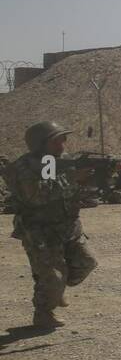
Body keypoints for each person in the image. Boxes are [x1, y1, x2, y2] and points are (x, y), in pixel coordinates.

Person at [7, 122, 99, 328]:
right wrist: (73, 178)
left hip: (68, 226)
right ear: (40, 144)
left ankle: (55, 291)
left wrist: (102, 176)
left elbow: (81, 193)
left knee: (87, 262)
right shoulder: (25, 166)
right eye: (56, 140)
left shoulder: (61, 162)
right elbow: (39, 195)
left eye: (63, 139)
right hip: (40, 230)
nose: (62, 144)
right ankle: (43, 313)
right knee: (53, 277)